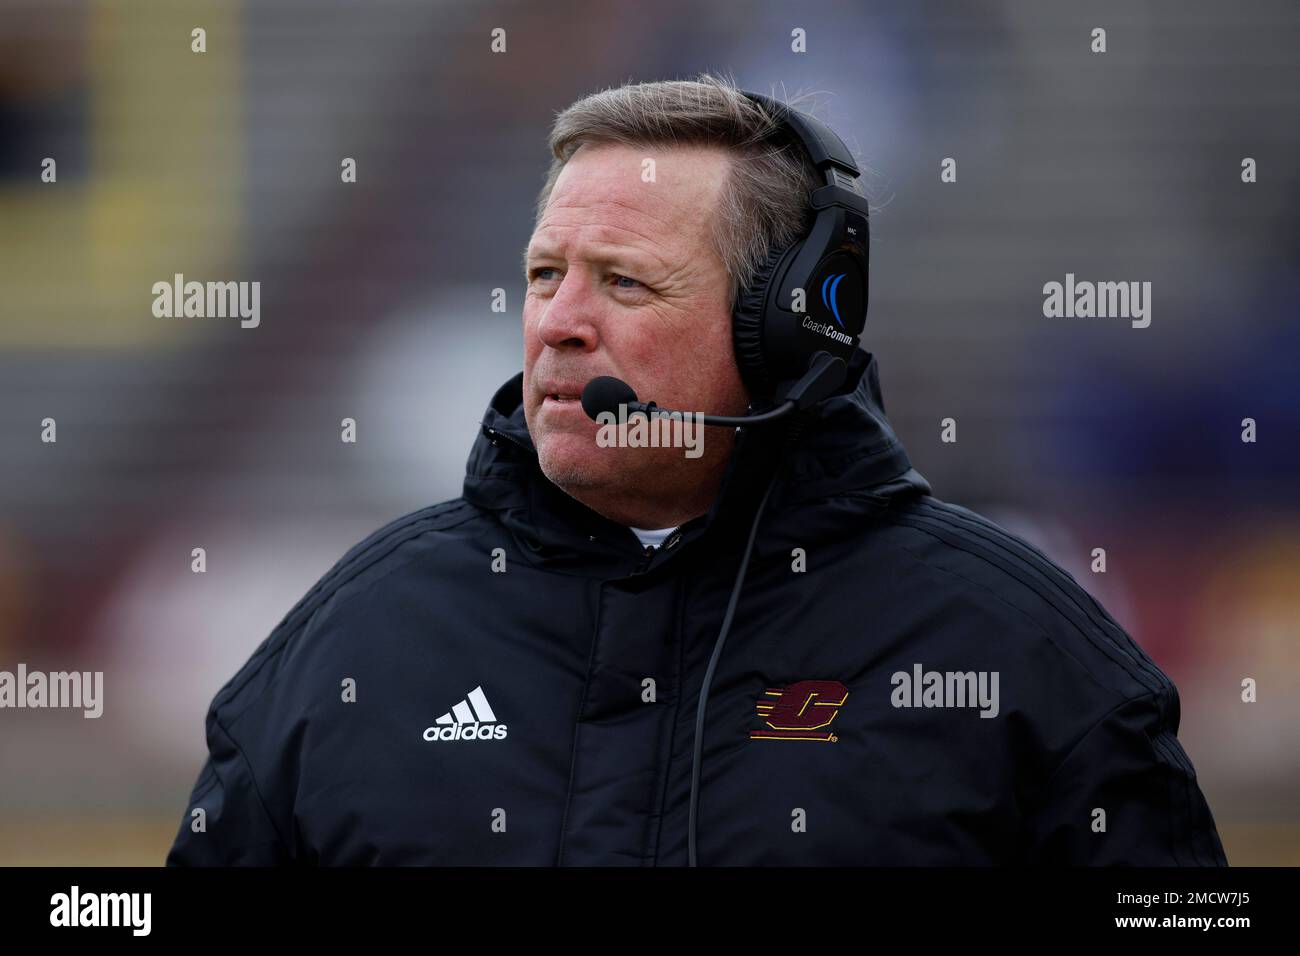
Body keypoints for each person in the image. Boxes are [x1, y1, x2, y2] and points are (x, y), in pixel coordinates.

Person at [167, 74, 1227, 866]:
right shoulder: (353, 634)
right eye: (545, 274)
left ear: (789, 327)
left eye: (625, 284)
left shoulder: (1021, 649)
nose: (559, 325)